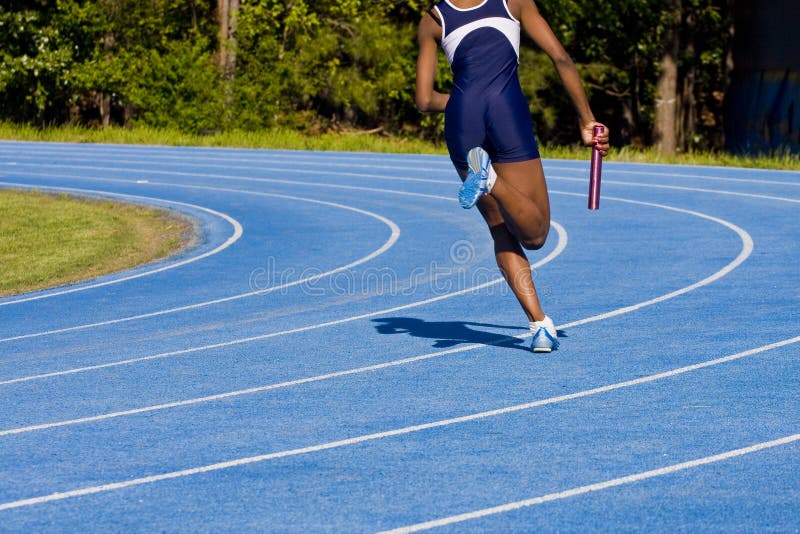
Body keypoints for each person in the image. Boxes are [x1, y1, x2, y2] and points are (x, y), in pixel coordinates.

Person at [415, 0, 610, 352]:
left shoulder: (432, 19)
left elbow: (425, 99)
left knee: (499, 228)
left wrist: (464, 102)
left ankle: (539, 326)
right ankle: (490, 179)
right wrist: (586, 119)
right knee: (535, 235)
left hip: (462, 122)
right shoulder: (514, 2)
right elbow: (561, 58)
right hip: (506, 109)